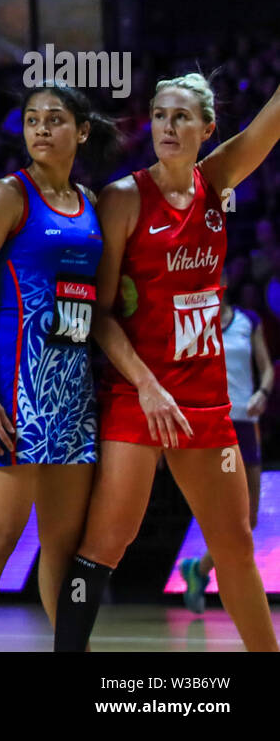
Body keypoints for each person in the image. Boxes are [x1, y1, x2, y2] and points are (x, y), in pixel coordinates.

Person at [54, 73, 280, 652]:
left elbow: (267, 127)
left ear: (207, 129)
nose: (168, 128)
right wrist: (148, 387)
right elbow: (99, 315)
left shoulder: (216, 181)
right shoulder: (125, 198)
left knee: (235, 546)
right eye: (159, 116)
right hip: (139, 394)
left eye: (181, 117)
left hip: (204, 398)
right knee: (107, 541)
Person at [0, 84, 119, 649]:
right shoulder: (7, 196)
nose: (41, 129)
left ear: (83, 131)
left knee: (64, 550)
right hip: (15, 388)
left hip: (73, 392)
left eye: (56, 119)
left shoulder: (92, 204)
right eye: (31, 120)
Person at [178, 277, 273, 612]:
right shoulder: (194, 321)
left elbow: (267, 370)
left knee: (251, 519)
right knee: (231, 517)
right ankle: (208, 575)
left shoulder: (249, 321)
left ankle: (198, 569)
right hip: (218, 425)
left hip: (248, 425)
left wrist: (262, 392)